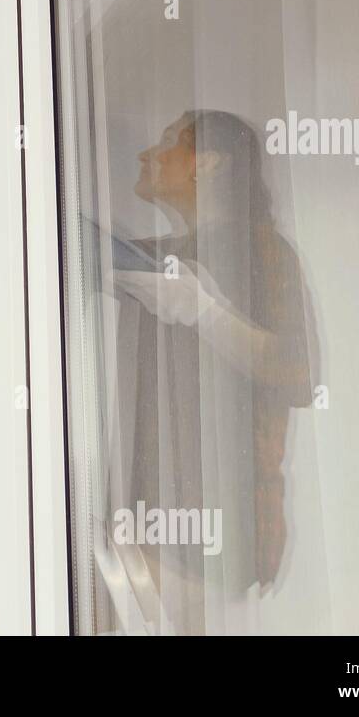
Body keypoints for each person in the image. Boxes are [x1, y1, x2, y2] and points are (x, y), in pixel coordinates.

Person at [107, 109, 315, 633]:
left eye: (168, 141)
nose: (147, 154)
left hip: (214, 538)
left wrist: (206, 311)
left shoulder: (264, 251)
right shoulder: (161, 258)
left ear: (210, 163)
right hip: (145, 527)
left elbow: (298, 373)